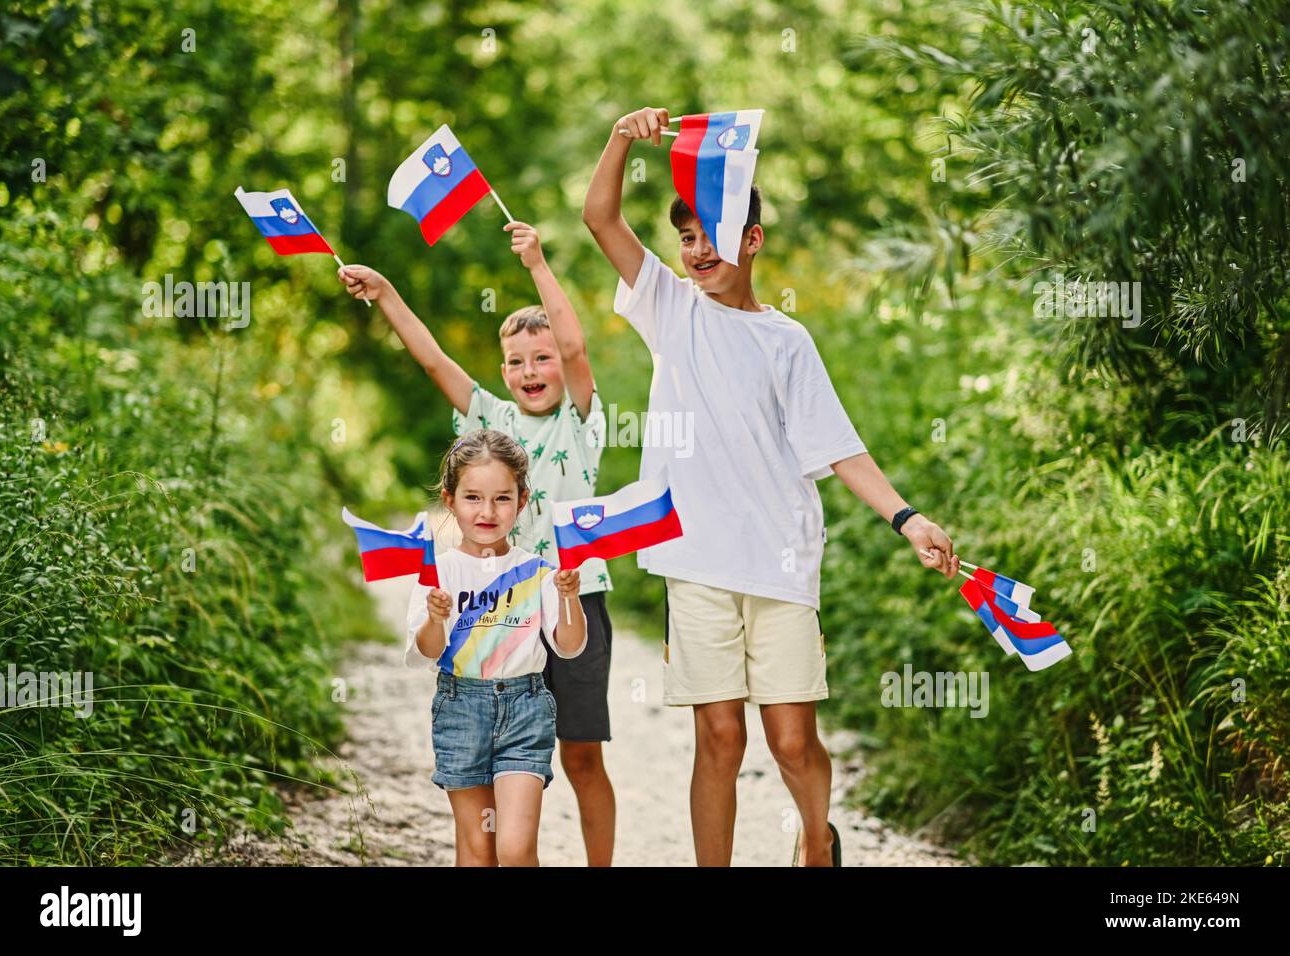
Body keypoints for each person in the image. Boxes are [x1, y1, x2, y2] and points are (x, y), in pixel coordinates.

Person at [582, 106, 961, 867]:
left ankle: (816, 843)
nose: (695, 252)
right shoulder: (669, 305)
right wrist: (624, 136)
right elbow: (599, 217)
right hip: (694, 560)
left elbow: (839, 447)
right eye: (685, 238)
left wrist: (908, 519)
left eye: (711, 236)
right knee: (719, 735)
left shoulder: (788, 339)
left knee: (792, 740)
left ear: (752, 240)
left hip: (783, 562)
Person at [338, 222, 619, 866]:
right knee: (506, 755)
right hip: (499, 609)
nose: (532, 370)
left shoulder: (582, 419)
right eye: (518, 362)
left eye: (541, 358)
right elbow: (433, 358)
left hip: (575, 602)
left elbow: (576, 348)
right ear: (503, 372)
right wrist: (385, 295)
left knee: (579, 753)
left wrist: (538, 264)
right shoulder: (491, 418)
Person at [404, 429, 586, 866]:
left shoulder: (537, 571)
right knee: (478, 849)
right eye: (473, 498)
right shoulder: (439, 574)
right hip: (460, 709)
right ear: (450, 500)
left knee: (515, 848)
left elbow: (570, 645)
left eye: (502, 499)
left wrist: (569, 597)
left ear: (522, 502)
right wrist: (436, 617)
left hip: (525, 710)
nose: (487, 511)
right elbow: (425, 653)